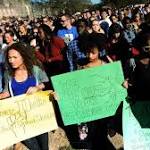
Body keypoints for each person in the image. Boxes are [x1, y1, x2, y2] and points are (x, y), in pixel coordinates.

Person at [0, 42, 51, 150]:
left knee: (44, 147)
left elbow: (46, 83)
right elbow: (7, 92)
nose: (11, 60)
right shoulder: (8, 74)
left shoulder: (35, 70)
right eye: (9, 58)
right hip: (21, 120)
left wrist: (37, 87)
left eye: (15, 57)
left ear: (23, 56)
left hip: (39, 116)